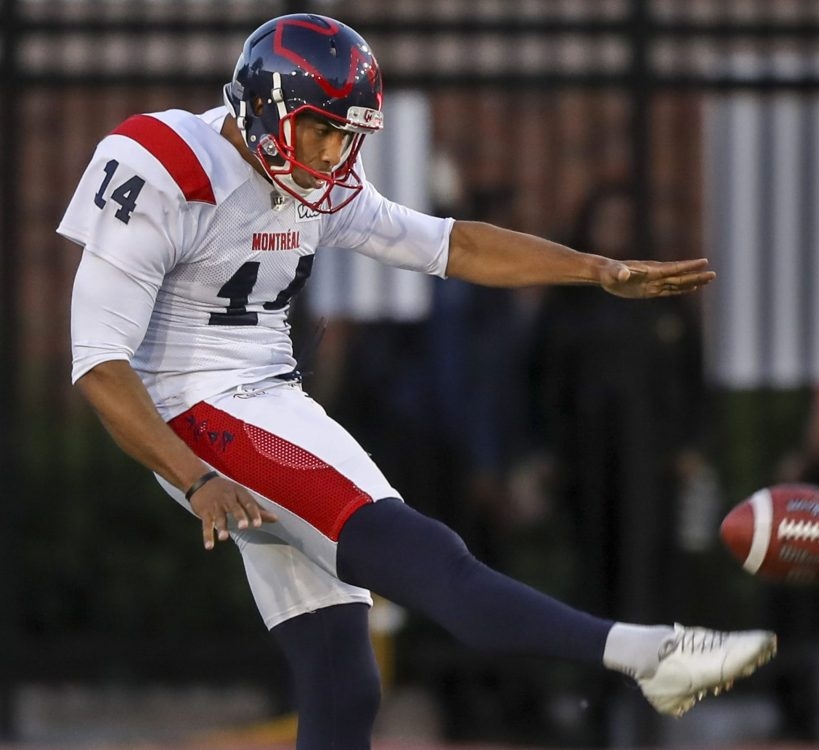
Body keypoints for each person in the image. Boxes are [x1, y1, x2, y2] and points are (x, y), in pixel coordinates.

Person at [58, 14, 776, 749]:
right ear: (264, 108)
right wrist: (194, 477)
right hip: (194, 411)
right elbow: (100, 363)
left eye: (349, 135)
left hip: (270, 400)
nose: (335, 154)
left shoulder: (323, 177)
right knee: (429, 561)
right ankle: (646, 652)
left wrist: (595, 270)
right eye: (320, 131)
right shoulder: (165, 164)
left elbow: (447, 243)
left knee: (343, 674)